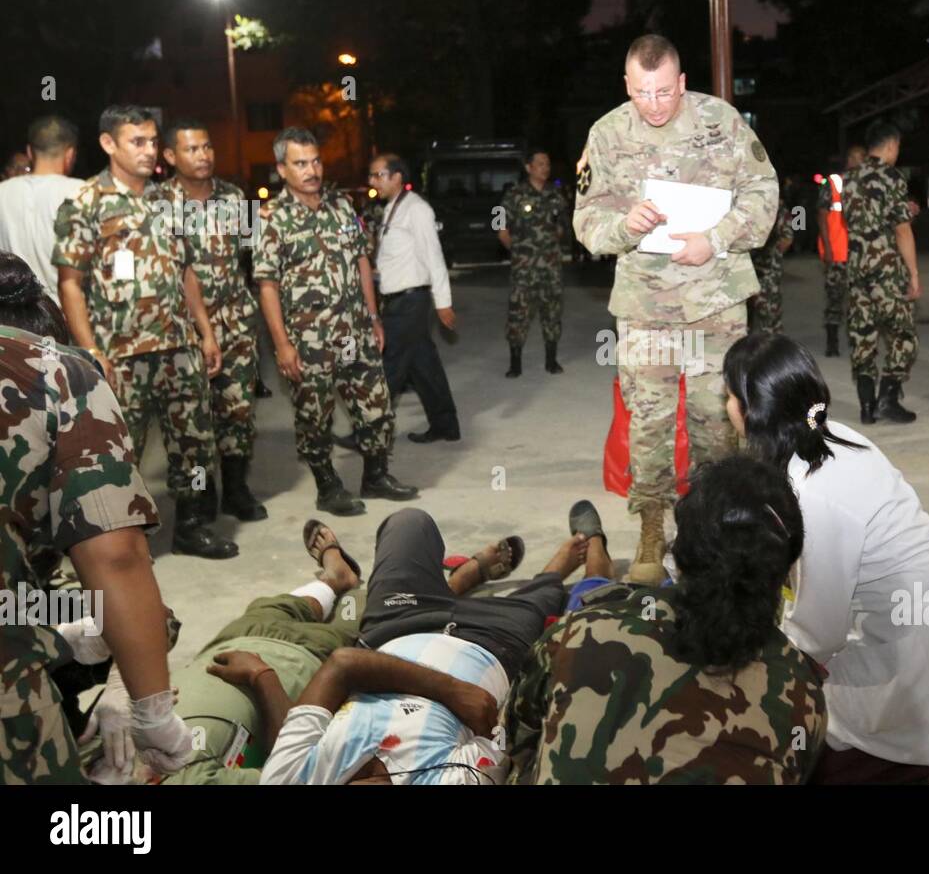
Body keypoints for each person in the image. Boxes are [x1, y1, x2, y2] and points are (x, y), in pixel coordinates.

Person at [723, 333, 929, 784]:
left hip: (915, 665)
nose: (724, 406)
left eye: (729, 396)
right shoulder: (837, 437)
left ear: (755, 411)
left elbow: (817, 635)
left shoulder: (813, 497)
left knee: (773, 737)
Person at [573, 33, 778, 584]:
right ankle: (649, 533)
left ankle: (711, 531)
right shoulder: (608, 134)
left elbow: (764, 191)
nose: (655, 104)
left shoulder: (723, 122)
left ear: (682, 82)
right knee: (649, 424)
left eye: (665, 91)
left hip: (715, 301)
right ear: (627, 86)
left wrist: (717, 238)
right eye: (643, 93)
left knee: (719, 424)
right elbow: (587, 222)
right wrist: (624, 225)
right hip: (645, 307)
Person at [504, 456, 827, 784]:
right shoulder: (801, 691)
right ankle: (596, 554)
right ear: (787, 571)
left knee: (594, 594)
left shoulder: (580, 633)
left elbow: (516, 739)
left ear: (678, 555)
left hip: (601, 620)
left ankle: (593, 551)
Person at [0, 256, 191, 783]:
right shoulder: (52, 370)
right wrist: (150, 708)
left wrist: (117, 687)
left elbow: (153, 616)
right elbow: (117, 559)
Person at [256, 506, 591, 784]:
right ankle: (550, 571)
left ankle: (463, 579)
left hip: (398, 624)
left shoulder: (293, 780)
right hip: (493, 644)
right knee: (544, 599)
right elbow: (500, 731)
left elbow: (342, 663)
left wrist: (450, 690)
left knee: (408, 523)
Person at [52, 104, 237, 559]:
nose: (149, 150)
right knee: (118, 451)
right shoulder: (85, 203)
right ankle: (122, 540)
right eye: (138, 141)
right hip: (121, 355)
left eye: (153, 141)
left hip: (178, 347)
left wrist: (206, 332)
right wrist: (91, 350)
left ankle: (192, 525)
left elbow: (187, 271)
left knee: (193, 444)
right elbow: (70, 284)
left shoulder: (168, 200)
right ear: (108, 144)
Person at [253, 127, 417, 516]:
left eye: (315, 161)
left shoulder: (342, 206)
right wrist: (282, 345)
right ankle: (327, 487)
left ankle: (376, 477)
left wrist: (373, 316)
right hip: (308, 341)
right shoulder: (273, 218)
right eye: (300, 163)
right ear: (282, 169)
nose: (311, 170)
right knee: (315, 416)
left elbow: (362, 260)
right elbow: (267, 285)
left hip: (356, 331)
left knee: (378, 406)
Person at [160, 117, 267, 523]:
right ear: (170, 155)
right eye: (191, 149)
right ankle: (200, 500)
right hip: (184, 327)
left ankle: (236, 491)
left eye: (206, 147)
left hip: (237, 321)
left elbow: (251, 256)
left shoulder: (238, 198)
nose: (203, 156)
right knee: (193, 419)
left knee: (238, 410)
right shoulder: (157, 204)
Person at [369, 152, 461, 443]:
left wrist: (443, 301)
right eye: (372, 176)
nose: (373, 181)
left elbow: (433, 256)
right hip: (397, 298)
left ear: (397, 176)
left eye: (378, 175)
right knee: (423, 366)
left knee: (390, 366)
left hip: (410, 301)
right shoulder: (392, 208)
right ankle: (445, 425)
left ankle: (369, 430)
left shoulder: (417, 209)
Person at [843, 120, 921, 424]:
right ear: (891, 145)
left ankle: (866, 406)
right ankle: (888, 397)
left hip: (856, 267)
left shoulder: (848, 179)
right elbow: (902, 231)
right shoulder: (892, 177)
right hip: (885, 270)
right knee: (903, 335)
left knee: (863, 335)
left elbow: (860, 219)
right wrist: (913, 273)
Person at [500, 149, 566, 377]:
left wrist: (548, 248)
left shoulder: (556, 195)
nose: (545, 168)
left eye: (547, 163)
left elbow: (561, 228)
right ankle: (515, 363)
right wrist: (518, 251)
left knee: (552, 312)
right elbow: (500, 226)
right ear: (528, 168)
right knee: (518, 313)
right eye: (540, 164)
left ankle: (551, 359)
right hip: (524, 269)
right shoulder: (514, 195)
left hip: (550, 268)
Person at [0, 115, 82, 299]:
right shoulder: (83, 192)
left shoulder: (2, 192)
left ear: (29, 152)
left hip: (9, 313)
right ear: (70, 154)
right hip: (62, 315)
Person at [818, 145, 865, 356]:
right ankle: (832, 341)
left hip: (859, 254)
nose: (855, 161)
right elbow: (821, 216)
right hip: (836, 252)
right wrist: (827, 247)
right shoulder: (833, 183)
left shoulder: (867, 185)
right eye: (852, 157)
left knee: (859, 301)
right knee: (835, 298)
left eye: (860, 157)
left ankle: (859, 342)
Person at [748, 199, 794, 334]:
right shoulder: (738, 200)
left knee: (769, 312)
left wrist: (771, 254)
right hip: (742, 267)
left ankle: (772, 348)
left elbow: (787, 238)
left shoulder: (775, 204)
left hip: (767, 268)